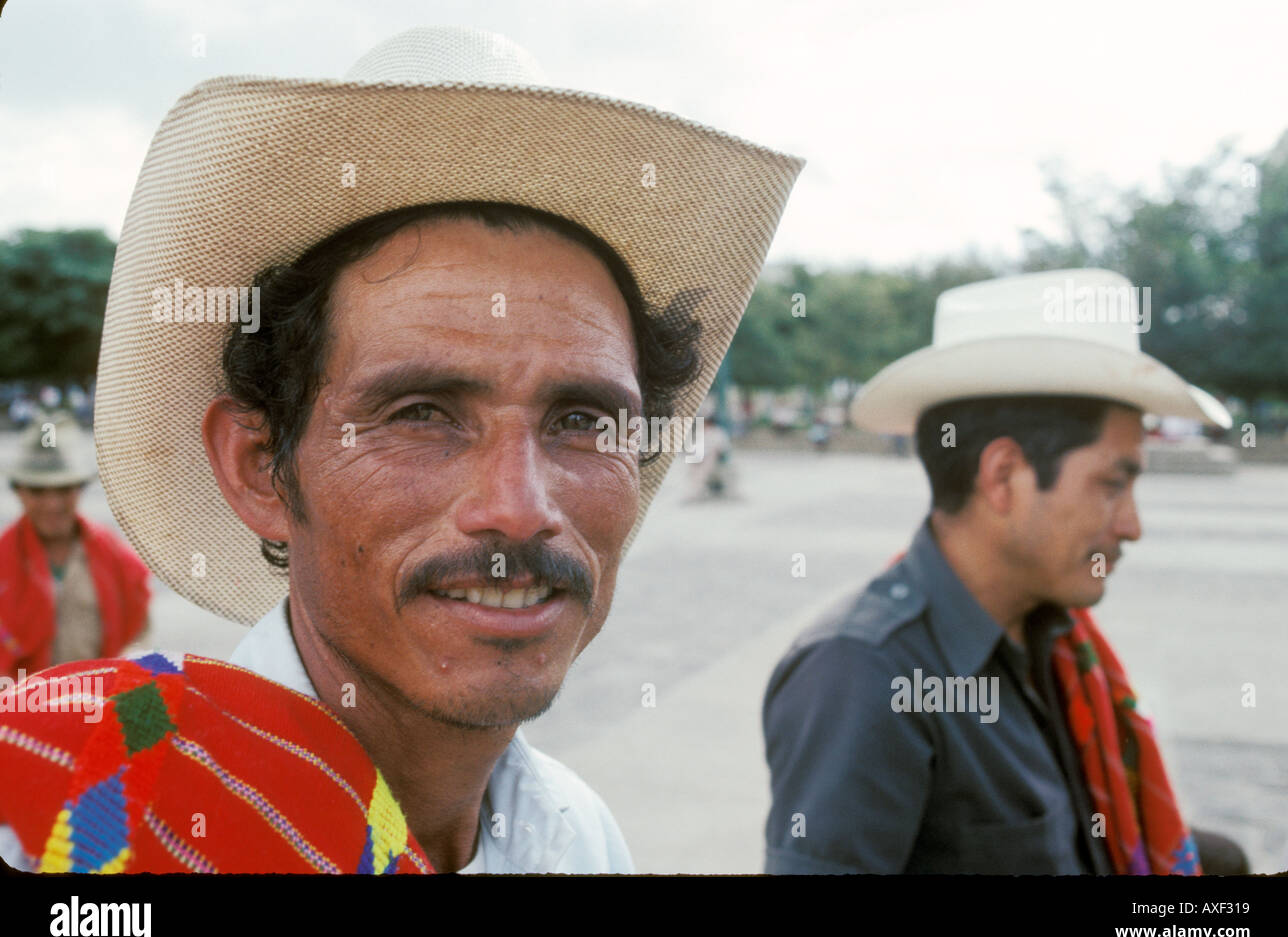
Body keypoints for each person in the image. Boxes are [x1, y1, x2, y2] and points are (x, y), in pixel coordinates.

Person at [0, 26, 801, 873]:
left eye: (582, 422)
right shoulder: (73, 824)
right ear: (258, 467)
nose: (521, 507)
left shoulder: (575, 838)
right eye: (422, 413)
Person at [763, 269, 1247, 874]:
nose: (1131, 525)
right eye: (1111, 484)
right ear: (1003, 476)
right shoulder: (862, 673)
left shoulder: (1051, 639)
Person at [0, 412, 150, 679]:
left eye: (63, 489)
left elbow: (138, 635)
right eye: (38, 491)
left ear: (79, 488)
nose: (53, 504)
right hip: (18, 710)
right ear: (19, 490)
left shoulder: (115, 558)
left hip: (98, 705)